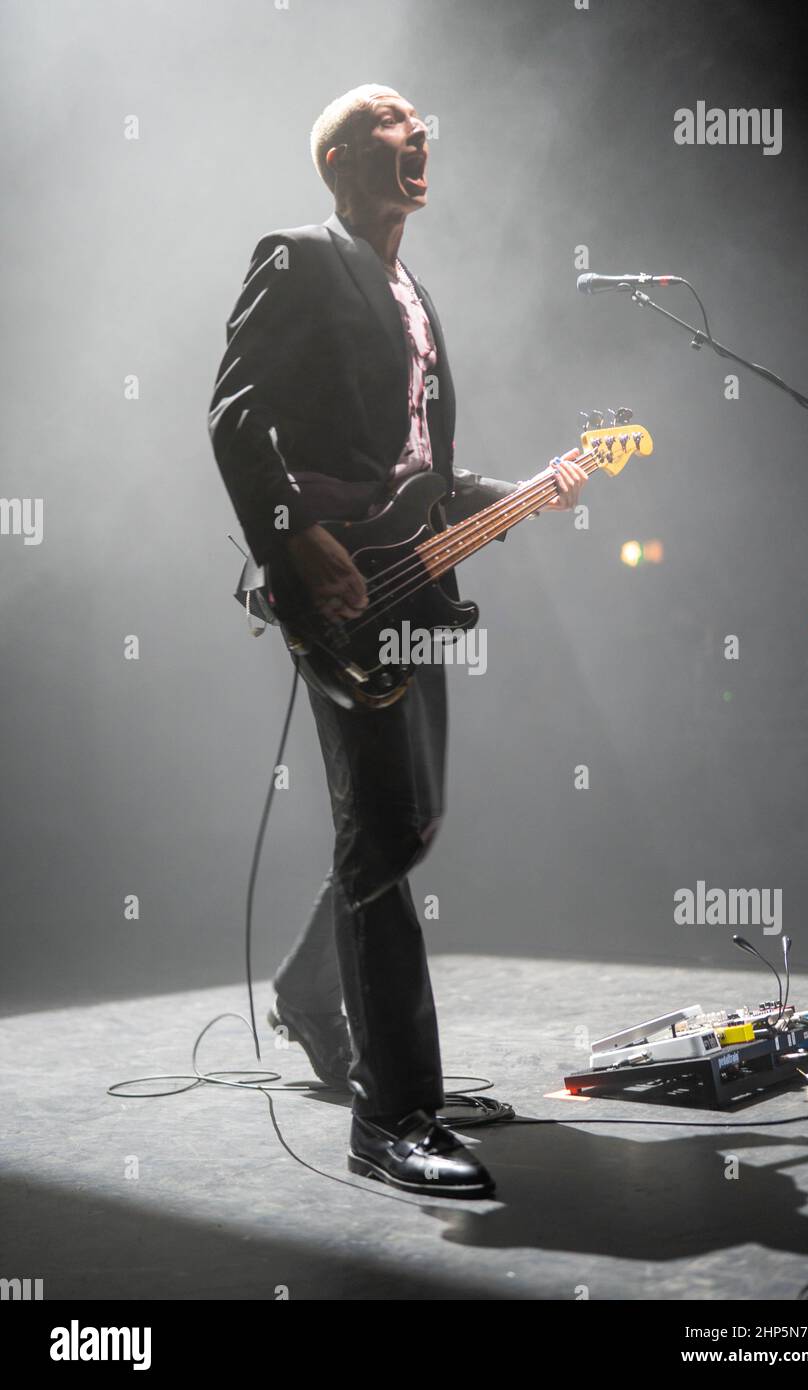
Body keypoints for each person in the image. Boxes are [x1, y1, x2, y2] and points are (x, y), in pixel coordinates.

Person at [208, 85, 586, 1198]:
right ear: (338, 158)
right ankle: (392, 1117)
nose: (418, 129)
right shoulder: (298, 256)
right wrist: (292, 547)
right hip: (331, 589)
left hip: (413, 587)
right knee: (376, 839)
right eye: (390, 117)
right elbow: (235, 417)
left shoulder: (413, 294)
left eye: (422, 119)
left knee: (408, 826)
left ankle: (310, 998)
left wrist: (530, 490)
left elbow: (420, 478)